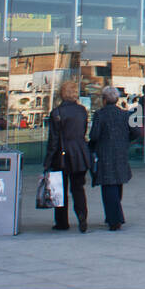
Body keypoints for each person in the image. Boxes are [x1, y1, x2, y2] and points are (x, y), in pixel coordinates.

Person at [46, 80, 93, 232]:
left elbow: (53, 139)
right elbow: (84, 131)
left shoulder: (57, 112)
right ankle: (82, 216)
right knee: (78, 188)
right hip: (79, 152)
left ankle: (62, 222)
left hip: (62, 154)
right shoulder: (82, 111)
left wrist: (48, 161)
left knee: (60, 190)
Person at [88, 85, 134, 230]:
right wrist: (126, 141)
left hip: (105, 153)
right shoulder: (124, 114)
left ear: (104, 100)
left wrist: (92, 146)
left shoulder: (100, 115)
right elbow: (136, 132)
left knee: (108, 187)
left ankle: (114, 219)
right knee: (117, 184)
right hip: (120, 153)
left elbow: (94, 135)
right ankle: (114, 216)